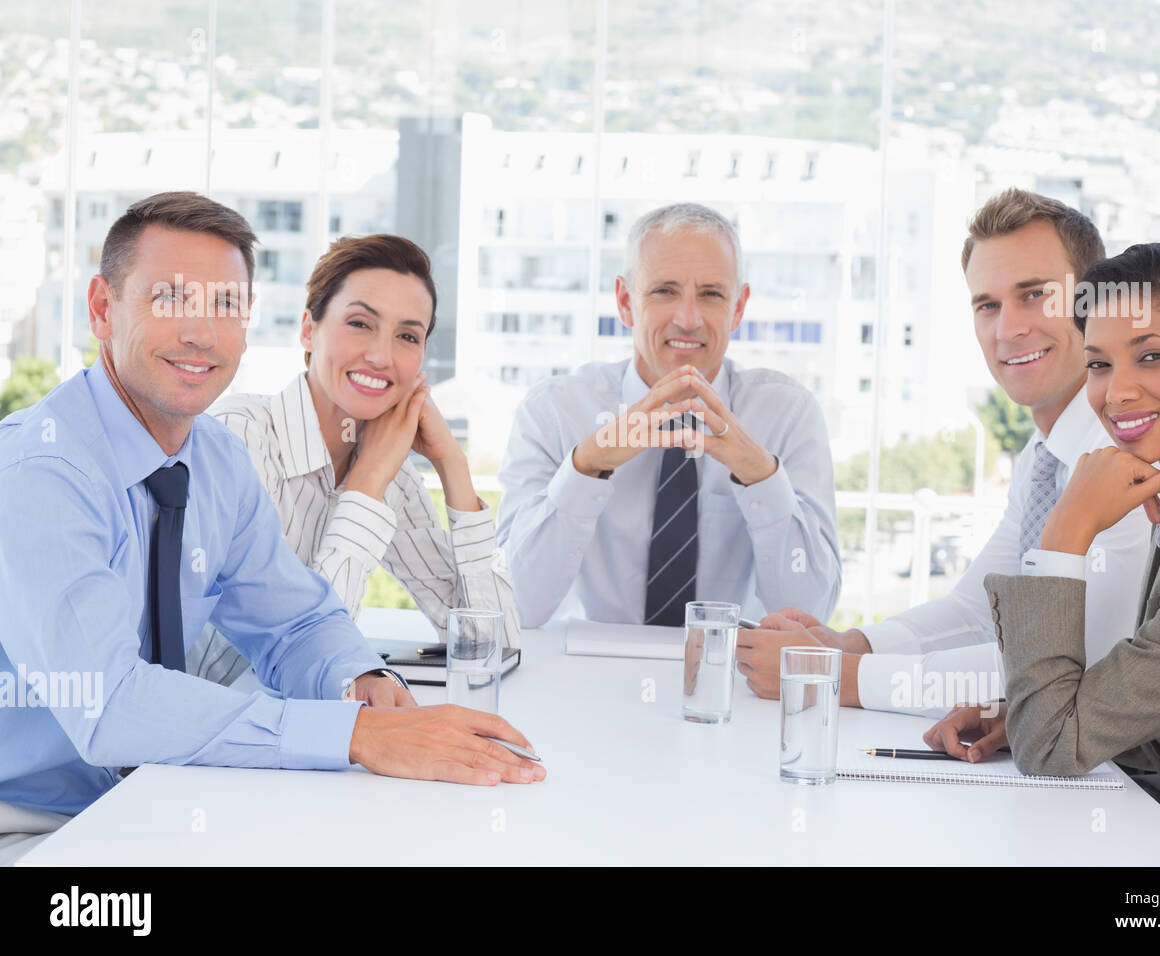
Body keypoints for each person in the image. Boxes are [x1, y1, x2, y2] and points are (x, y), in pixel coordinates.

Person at [0, 193, 542, 866]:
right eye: (171, 299)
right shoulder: (40, 471)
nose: (202, 332)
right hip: (32, 827)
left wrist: (358, 682)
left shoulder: (215, 461)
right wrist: (352, 736)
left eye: (226, 306)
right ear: (103, 309)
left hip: (157, 801)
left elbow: (296, 621)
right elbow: (109, 704)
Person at [736, 189, 1151, 753]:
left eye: (1034, 295)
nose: (1009, 329)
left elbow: (1071, 663)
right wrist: (849, 644)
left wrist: (838, 676)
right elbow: (979, 611)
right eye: (988, 305)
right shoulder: (1043, 458)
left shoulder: (1123, 455)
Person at [935, 243, 1160, 866]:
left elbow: (1050, 748)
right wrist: (1027, 714)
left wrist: (1068, 528)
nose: (1117, 393)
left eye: (1152, 357)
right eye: (1100, 365)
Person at [188, 234, 518, 688]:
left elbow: (492, 646)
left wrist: (453, 466)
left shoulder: (390, 471)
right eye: (360, 323)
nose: (381, 356)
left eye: (407, 336)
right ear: (308, 329)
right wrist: (365, 485)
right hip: (185, 746)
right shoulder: (241, 434)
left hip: (280, 744)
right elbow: (301, 656)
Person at [497, 202, 840, 628]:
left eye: (711, 294)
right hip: (582, 676)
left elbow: (811, 612)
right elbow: (513, 608)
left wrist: (760, 474)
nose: (688, 319)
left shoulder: (787, 414)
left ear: (738, 307)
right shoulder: (554, 412)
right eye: (664, 291)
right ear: (625, 302)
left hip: (730, 682)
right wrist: (586, 467)